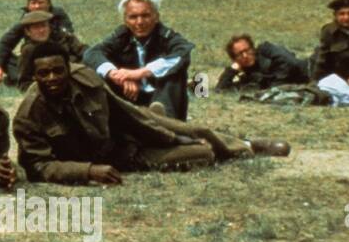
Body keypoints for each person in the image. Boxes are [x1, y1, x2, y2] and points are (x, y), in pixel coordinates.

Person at [14, 43, 288, 185]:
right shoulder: (29, 115)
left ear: (68, 68)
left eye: (58, 70)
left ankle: (248, 147)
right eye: (43, 73)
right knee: (202, 153)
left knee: (194, 132)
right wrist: (87, 171)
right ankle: (225, 145)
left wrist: (168, 136)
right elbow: (39, 167)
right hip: (121, 156)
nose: (52, 78)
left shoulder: (85, 78)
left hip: (129, 129)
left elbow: (125, 114)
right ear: (34, 76)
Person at [83, 0, 194, 119]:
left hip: (161, 97)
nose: (140, 22)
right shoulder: (121, 37)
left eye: (145, 15)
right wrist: (116, 75)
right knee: (97, 72)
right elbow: (92, 53)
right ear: (125, 20)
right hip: (130, 96)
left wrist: (139, 73)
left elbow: (182, 54)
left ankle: (162, 118)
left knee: (175, 72)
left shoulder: (167, 37)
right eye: (133, 17)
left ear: (156, 17)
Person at [0, 0, 76, 85]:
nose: (37, 7)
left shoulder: (58, 16)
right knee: (6, 58)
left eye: (40, 3)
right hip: (33, 59)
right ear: (28, 6)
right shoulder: (26, 20)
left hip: (58, 58)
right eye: (33, 3)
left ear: (49, 4)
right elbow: (5, 43)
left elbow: (70, 40)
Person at [14, 9, 85, 89]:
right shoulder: (28, 50)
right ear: (28, 32)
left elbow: (83, 51)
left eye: (44, 26)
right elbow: (23, 81)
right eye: (36, 28)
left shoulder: (61, 39)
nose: (41, 30)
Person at [216, 35, 309, 91]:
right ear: (235, 59)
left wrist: (275, 83)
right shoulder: (249, 78)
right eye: (240, 54)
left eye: (247, 50)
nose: (245, 56)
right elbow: (221, 89)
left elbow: (291, 62)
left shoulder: (266, 50)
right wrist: (232, 70)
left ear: (253, 49)